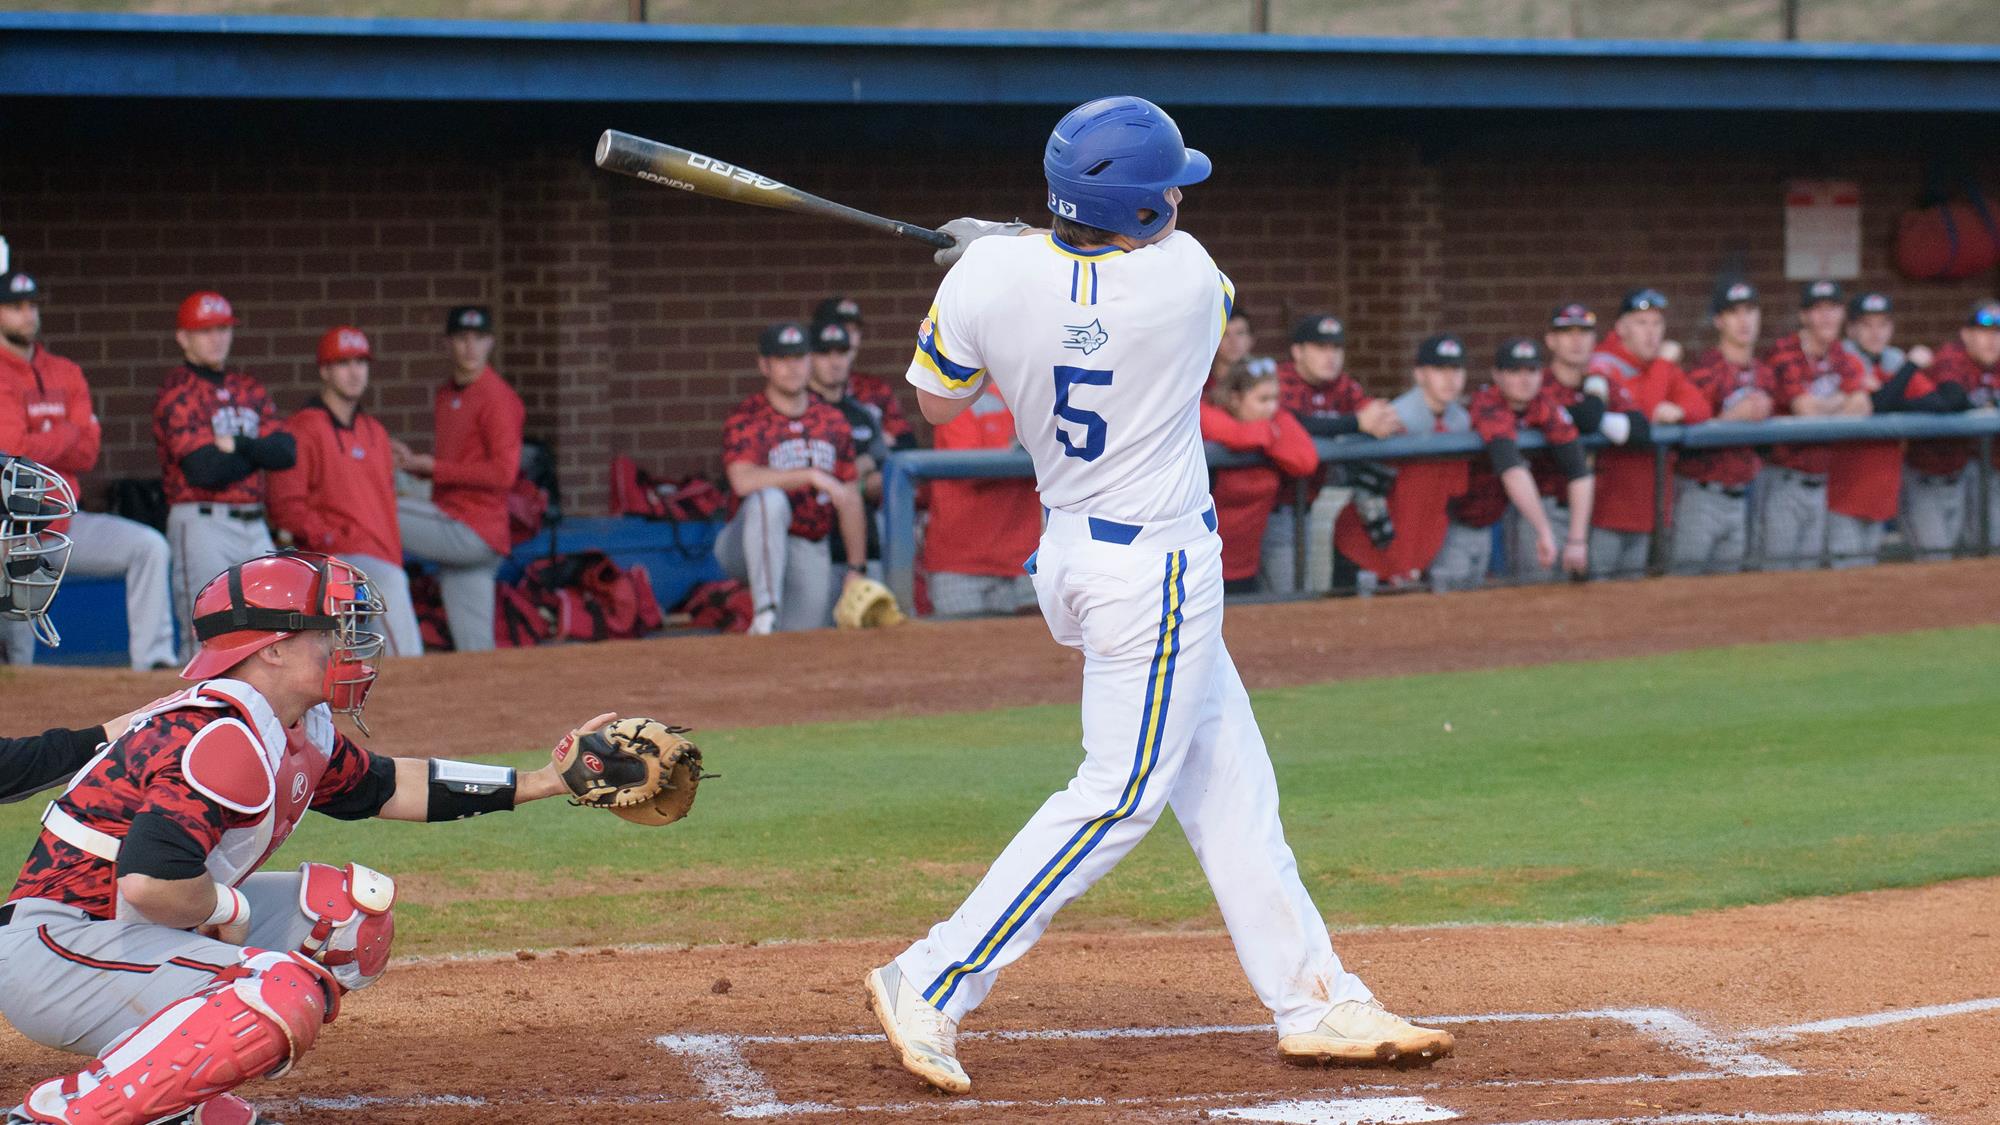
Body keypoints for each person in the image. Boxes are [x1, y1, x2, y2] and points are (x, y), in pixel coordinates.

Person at [874, 96, 1451, 1096]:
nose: (1181, 198)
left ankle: (1314, 997)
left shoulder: (987, 279)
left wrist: (987, 266)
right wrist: (1015, 250)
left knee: (1231, 787)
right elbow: (1111, 276)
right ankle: (933, 974)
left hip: (1073, 555)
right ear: (1138, 210)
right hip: (1153, 576)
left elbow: (938, 399)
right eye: (1167, 188)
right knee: (1118, 796)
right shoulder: (1186, 282)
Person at [0, 551, 606, 1125]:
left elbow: (387, 786)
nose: (348, 645)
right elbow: (152, 884)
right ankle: (68, 1114)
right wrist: (230, 911)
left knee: (345, 919)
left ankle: (171, 1101)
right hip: (61, 946)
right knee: (279, 989)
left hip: (126, 926)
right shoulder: (221, 736)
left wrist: (543, 781)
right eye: (329, 631)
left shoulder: (289, 726)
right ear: (272, 648)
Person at [0, 271, 177, 669]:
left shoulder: (65, 371)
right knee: (17, 651)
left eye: (32, 305)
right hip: (12, 533)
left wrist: (41, 440)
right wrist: (67, 432)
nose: (27, 314)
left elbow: (88, 454)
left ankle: (154, 663)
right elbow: (13, 456)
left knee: (149, 547)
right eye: (14, 306)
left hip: (66, 523)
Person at [154, 290, 297, 659]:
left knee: (269, 632)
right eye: (205, 331)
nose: (216, 338)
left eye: (222, 329)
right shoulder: (177, 392)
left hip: (254, 523)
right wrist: (257, 451)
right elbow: (205, 470)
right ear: (183, 337)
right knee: (208, 634)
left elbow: (285, 452)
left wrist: (237, 444)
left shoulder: (247, 388)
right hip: (203, 522)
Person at [267, 327, 423, 656]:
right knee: (390, 593)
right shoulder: (302, 428)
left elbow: (385, 509)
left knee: (361, 658)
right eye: (343, 363)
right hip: (333, 558)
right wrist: (330, 537)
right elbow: (285, 507)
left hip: (380, 558)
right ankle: (416, 674)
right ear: (324, 371)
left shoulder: (375, 431)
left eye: (360, 363)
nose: (354, 372)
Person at [717, 322, 867, 635]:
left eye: (798, 357)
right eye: (782, 359)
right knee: (769, 499)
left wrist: (856, 567)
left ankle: (768, 624)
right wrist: (810, 475)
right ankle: (765, 610)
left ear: (809, 361)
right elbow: (742, 481)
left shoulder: (832, 420)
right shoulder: (747, 417)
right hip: (745, 542)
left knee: (799, 640)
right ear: (764, 365)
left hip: (807, 544)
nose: (792, 367)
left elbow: (849, 497)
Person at [393, 306, 524, 653]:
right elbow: (457, 465)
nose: (470, 347)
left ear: (490, 343)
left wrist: (434, 468)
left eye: (478, 338)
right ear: (447, 343)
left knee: (376, 512)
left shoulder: (498, 398)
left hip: (472, 527)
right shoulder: (446, 394)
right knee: (475, 652)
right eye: (462, 338)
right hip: (458, 528)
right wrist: (415, 466)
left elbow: (504, 474)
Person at [1438, 338, 1593, 590]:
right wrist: (1543, 530)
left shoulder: (1542, 403)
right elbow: (1512, 470)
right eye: (1514, 371)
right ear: (1497, 375)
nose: (1525, 379)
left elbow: (1579, 469)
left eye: (1531, 370)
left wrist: (1577, 540)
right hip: (1452, 520)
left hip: (1487, 519)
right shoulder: (1488, 402)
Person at [1266, 314, 1402, 593]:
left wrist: (1381, 419)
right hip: (1269, 510)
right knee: (1280, 598)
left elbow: (1378, 417)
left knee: (1302, 593)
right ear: (1297, 351)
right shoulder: (1277, 380)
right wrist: (1355, 423)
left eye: (1336, 348)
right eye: (1320, 347)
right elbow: (1290, 423)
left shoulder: (1342, 385)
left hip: (1305, 507)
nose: (1331, 356)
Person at [1585, 288, 1712, 579]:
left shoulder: (1658, 367)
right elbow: (1644, 416)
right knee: (1595, 598)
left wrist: (1678, 411)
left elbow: (1701, 407)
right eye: (1642, 323)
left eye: (1657, 323)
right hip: (1607, 511)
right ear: (1621, 328)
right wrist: (1664, 365)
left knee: (1638, 600)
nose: (1651, 332)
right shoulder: (1605, 363)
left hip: (1649, 511)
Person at [1333, 333, 1472, 594]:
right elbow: (1367, 497)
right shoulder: (1393, 419)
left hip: (1413, 553)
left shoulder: (1461, 422)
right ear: (1419, 374)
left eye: (1456, 369)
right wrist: (1394, 560)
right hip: (1365, 552)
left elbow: (1451, 496)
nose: (1450, 378)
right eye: (1439, 369)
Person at [1829, 293, 1961, 568]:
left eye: (1883, 324)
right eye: (1866, 325)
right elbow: (1877, 405)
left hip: (1879, 495)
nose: (1876, 332)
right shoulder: (1842, 359)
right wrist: (1905, 374)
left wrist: (1897, 398)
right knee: (1836, 581)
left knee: (1867, 582)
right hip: (1841, 494)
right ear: (1851, 329)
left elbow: (1938, 403)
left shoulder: (1893, 362)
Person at [1760, 280, 1870, 570]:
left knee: (1810, 578)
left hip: (1822, 481)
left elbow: (1862, 404)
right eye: (1818, 309)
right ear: (1804, 315)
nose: (1827, 317)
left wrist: (1829, 404)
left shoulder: (1840, 354)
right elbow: (1805, 410)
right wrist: (1842, 400)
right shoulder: (1784, 352)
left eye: (1833, 309)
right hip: (1783, 479)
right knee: (1775, 576)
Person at [1671, 282, 1776, 576]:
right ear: (1719, 321)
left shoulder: (1764, 374)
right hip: (1701, 495)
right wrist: (1731, 417)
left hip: (1743, 496)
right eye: (1733, 313)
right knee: (1683, 587)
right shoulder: (1704, 371)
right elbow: (1687, 434)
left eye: (1750, 311)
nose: (1744, 320)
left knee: (1729, 592)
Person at [921, 384, 1041, 616]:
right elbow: (968, 466)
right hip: (961, 563)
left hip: (1024, 560)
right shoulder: (958, 389)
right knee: (959, 640)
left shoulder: (1038, 391)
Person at [1201, 361, 1318, 594]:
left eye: (1275, 398)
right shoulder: (1210, 412)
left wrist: (1264, 438)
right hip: (1205, 565)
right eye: (1263, 399)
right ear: (1235, 398)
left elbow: (1305, 460)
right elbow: (1232, 433)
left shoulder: (1276, 418)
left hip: (1247, 566)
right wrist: (1270, 435)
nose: (1271, 407)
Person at [1904, 299, 2000, 558]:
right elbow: (1952, 397)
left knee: (1980, 558)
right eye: (1984, 332)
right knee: (1935, 560)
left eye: (1997, 334)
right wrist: (1984, 406)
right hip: (1927, 474)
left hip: (1970, 474)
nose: (1992, 341)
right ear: (1966, 335)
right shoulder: (1951, 357)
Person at [811, 295, 916, 451]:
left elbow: (908, 444)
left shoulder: (874, 388)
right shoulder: (800, 394)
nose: (850, 337)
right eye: (843, 328)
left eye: (855, 330)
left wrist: (876, 442)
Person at [1209, 305, 1274, 389]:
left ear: (1251, 339)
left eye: (1240, 333)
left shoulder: (1265, 380)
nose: (1233, 341)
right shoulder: (1199, 381)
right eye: (1225, 334)